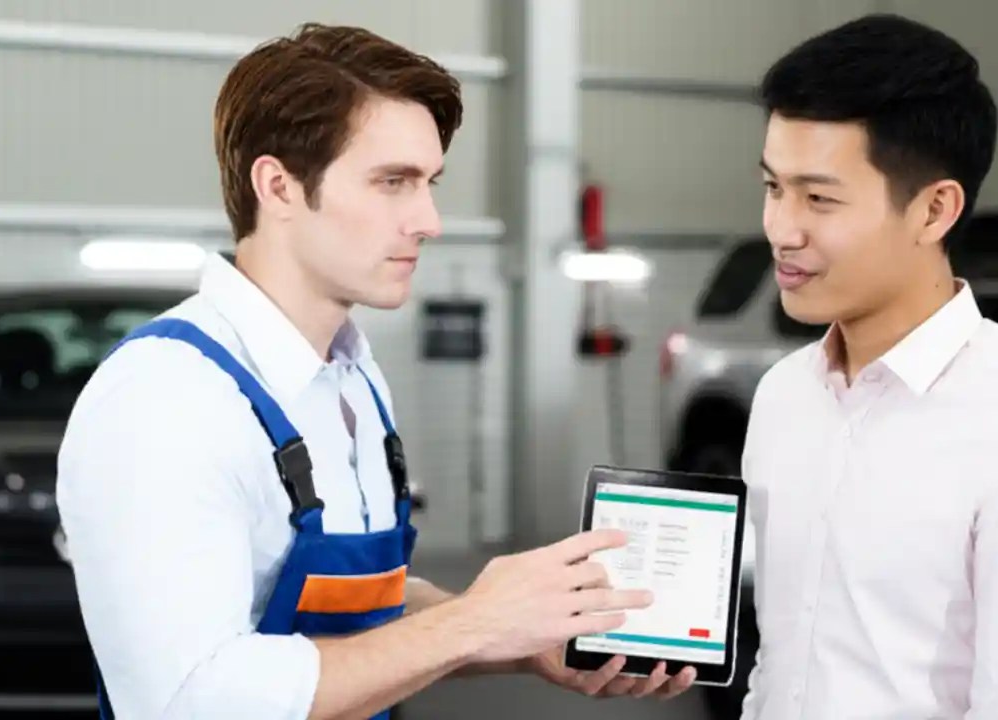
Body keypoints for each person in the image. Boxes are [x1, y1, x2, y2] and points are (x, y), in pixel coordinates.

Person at [56, 23, 694, 720]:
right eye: (394, 183)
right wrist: (474, 622)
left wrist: (519, 639)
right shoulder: (166, 399)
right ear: (278, 187)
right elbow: (191, 700)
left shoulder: (352, 377)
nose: (429, 220)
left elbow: (358, 605)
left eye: (430, 184)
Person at [741, 13, 998, 719]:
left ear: (934, 211)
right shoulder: (783, 398)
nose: (782, 228)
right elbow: (780, 668)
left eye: (819, 198)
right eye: (774, 187)